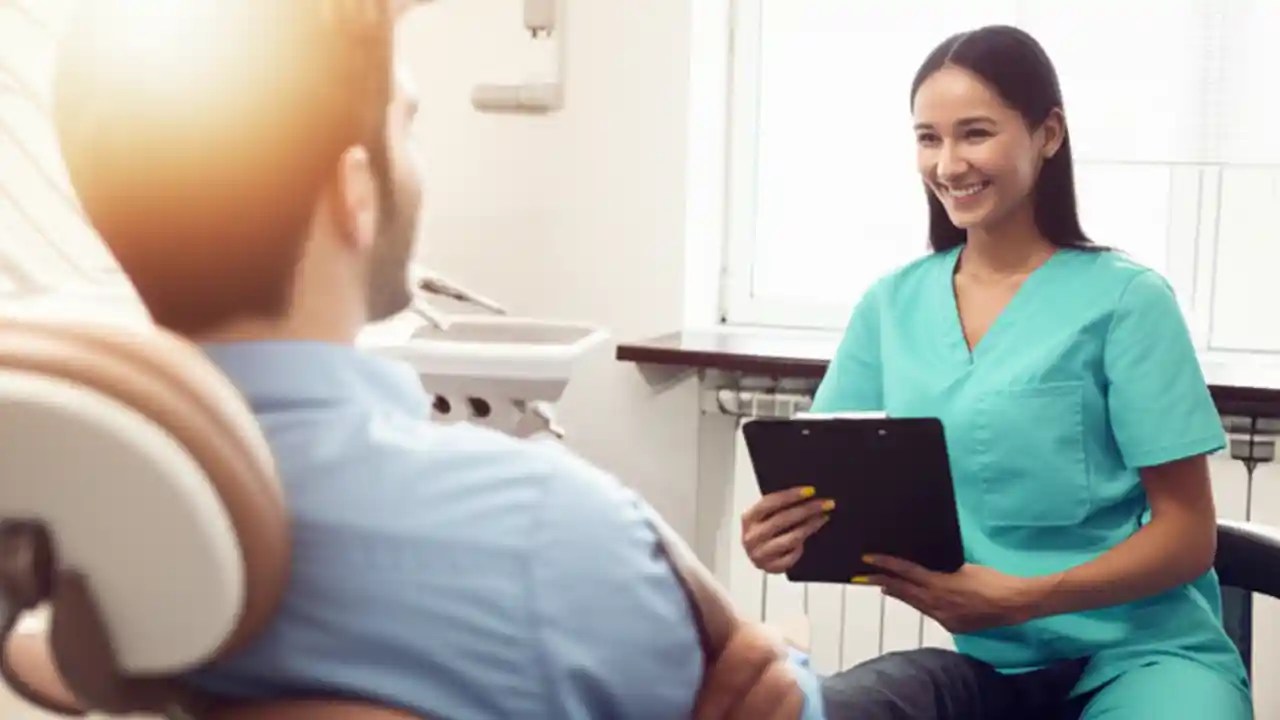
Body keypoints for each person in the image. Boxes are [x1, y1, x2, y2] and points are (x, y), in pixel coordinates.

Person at [20, 1, 827, 718]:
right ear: (356, 192)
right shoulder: (556, 540)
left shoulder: (42, 536)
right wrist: (759, 644)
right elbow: (771, 693)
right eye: (404, 128)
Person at [739, 24, 1253, 720]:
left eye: (975, 134)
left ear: (1048, 134)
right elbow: (831, 493)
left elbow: (1188, 535)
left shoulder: (1127, 302)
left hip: (1146, 658)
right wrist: (783, 533)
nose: (948, 164)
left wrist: (1026, 598)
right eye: (928, 138)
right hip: (989, 668)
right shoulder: (892, 306)